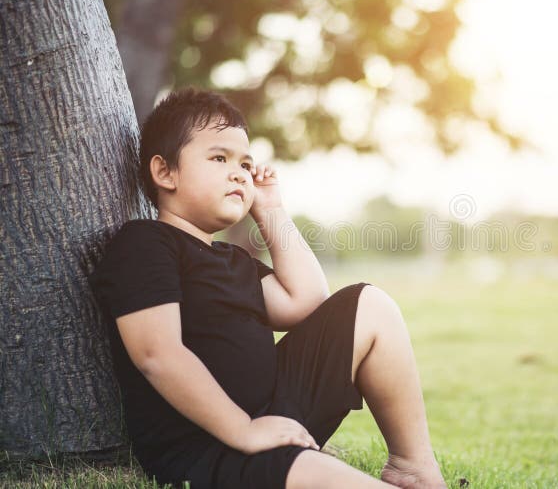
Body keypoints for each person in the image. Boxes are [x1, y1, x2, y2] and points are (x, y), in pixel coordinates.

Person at [88, 87, 447, 489]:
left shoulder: (233, 259)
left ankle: (413, 465)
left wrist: (271, 211)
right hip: (209, 451)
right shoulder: (146, 244)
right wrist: (242, 429)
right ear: (165, 172)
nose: (239, 172)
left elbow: (306, 301)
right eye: (219, 158)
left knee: (372, 306)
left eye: (245, 163)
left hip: (271, 417)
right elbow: (157, 353)